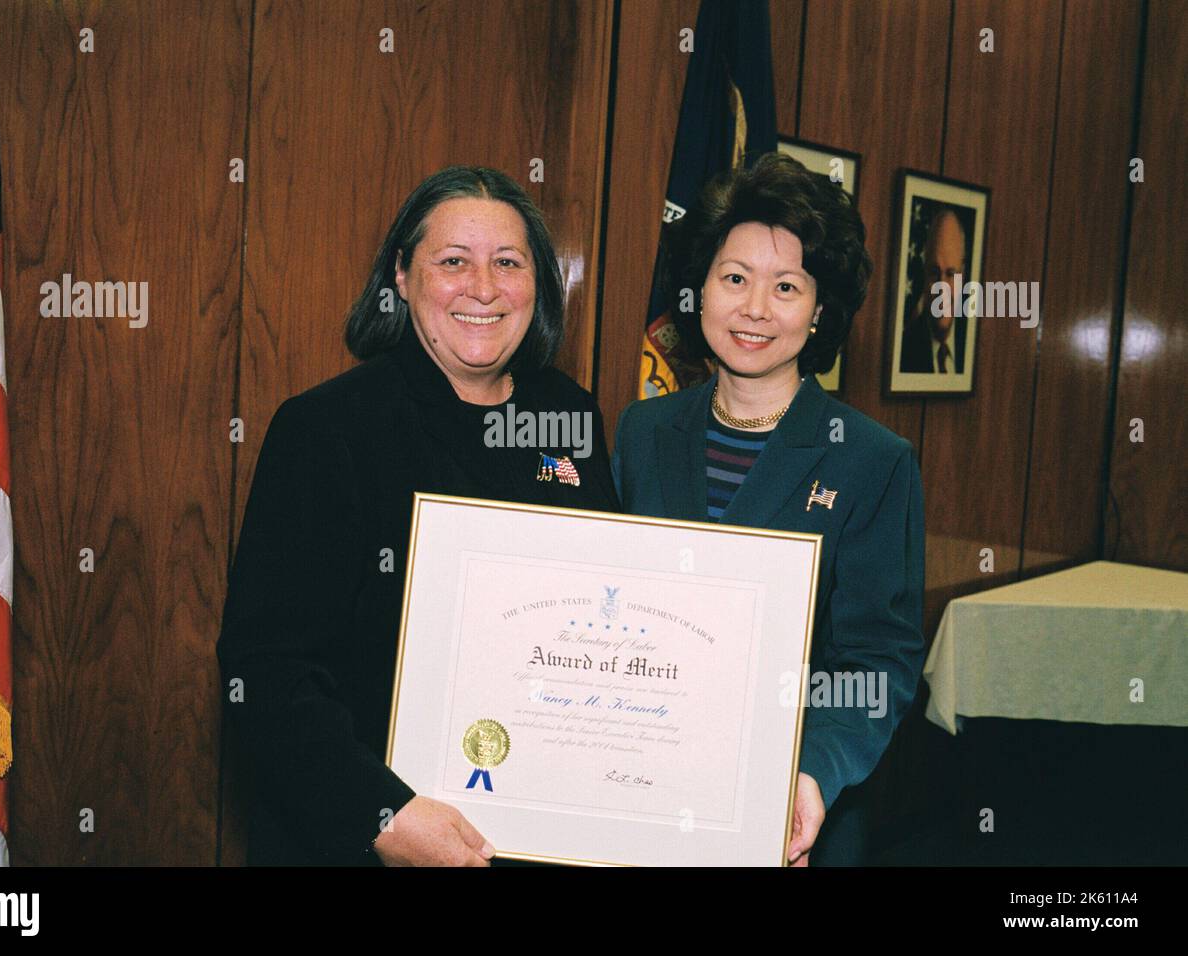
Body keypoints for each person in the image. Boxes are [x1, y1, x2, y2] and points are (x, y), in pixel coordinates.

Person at [217, 166, 619, 866]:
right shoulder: (327, 429)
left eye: (508, 263)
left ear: (539, 284)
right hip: (364, 840)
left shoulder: (569, 416)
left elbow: (600, 620)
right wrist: (384, 815)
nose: (484, 289)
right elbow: (266, 671)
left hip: (534, 836)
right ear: (402, 277)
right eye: (454, 262)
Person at [612, 152, 926, 866]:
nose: (754, 309)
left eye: (786, 286)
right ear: (700, 291)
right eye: (734, 279)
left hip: (792, 811)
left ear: (820, 312)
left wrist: (814, 771)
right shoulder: (642, 430)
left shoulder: (874, 463)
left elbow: (877, 660)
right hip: (642, 787)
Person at [899, 205, 969, 373]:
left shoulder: (972, 345)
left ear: (963, 275)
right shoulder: (904, 351)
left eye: (951, 274)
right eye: (934, 273)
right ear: (924, 275)